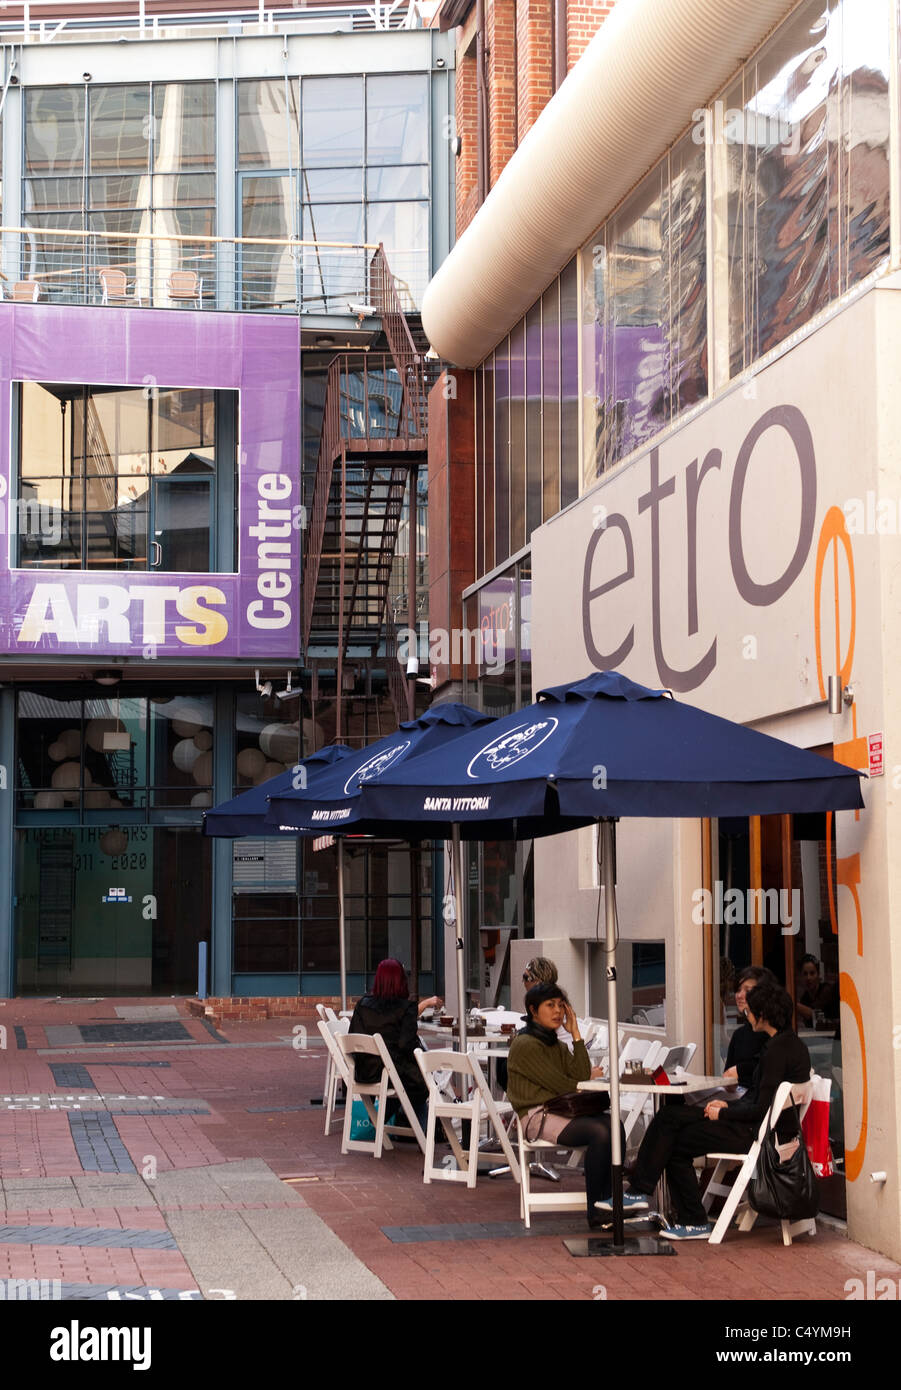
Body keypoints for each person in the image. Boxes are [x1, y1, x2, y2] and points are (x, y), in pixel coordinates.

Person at [601, 981, 811, 1239]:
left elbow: (758, 1110)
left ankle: (675, 1210)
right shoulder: (788, 1045)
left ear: (763, 1014)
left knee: (674, 1141)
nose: (747, 1016)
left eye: (749, 1011)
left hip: (753, 1134)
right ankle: (645, 1195)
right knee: (669, 1116)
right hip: (755, 1126)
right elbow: (761, 1101)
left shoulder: (776, 1052)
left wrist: (723, 1113)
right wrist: (726, 1105)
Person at [506, 982, 622, 1229]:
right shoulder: (525, 1044)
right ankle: (596, 1210)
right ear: (533, 1011)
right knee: (600, 1131)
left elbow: (579, 1073)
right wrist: (582, 1079)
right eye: (550, 1005)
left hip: (559, 1109)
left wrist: (576, 1034)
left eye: (561, 1005)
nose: (558, 1011)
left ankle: (611, 1203)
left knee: (615, 1125)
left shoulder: (555, 1044)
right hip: (536, 1116)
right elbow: (563, 1084)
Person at [348, 959, 439, 1131]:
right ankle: (427, 1136)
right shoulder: (406, 1008)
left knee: (407, 1083)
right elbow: (407, 1045)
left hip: (365, 1071)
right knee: (420, 1084)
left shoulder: (363, 1004)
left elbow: (354, 1035)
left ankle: (380, 1117)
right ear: (401, 981)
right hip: (392, 1072)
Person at [723, 965, 777, 1086]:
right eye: (738, 990)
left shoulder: (773, 1032)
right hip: (738, 1098)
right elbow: (728, 1077)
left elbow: (771, 1068)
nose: (739, 995)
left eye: (747, 990)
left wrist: (741, 1070)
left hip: (756, 1100)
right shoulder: (739, 1035)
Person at [796, 954, 839, 1029]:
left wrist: (794, 1003)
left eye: (812, 973)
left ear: (818, 974)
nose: (808, 978)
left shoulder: (826, 990)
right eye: (805, 974)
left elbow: (813, 1014)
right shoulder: (805, 998)